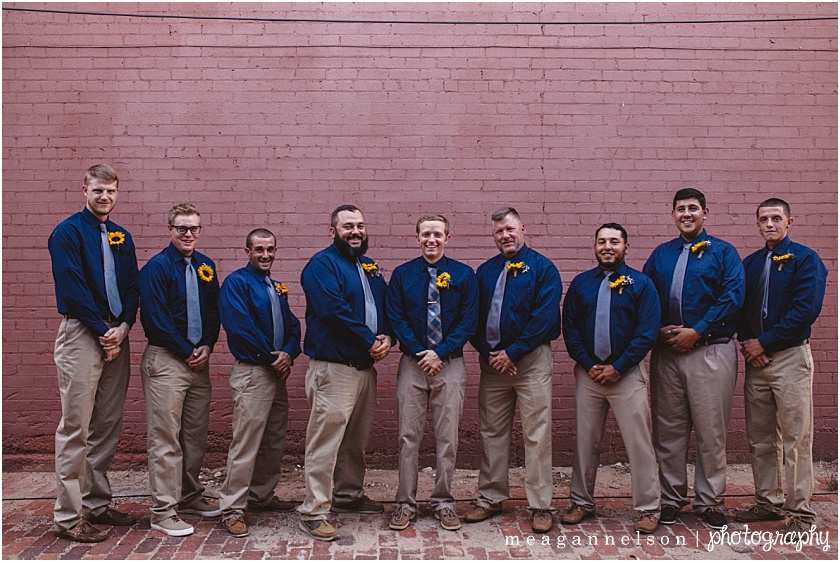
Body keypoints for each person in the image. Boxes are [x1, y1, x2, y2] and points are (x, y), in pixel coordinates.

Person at [642, 188, 745, 530]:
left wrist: (696, 331)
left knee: (710, 430)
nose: (686, 214)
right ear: (672, 214)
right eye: (680, 209)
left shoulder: (724, 253)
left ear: (705, 212)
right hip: (667, 354)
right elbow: (645, 297)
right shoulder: (660, 255)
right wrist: (656, 330)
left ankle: (709, 501)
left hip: (710, 350)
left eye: (693, 208)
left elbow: (731, 296)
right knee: (668, 430)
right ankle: (671, 498)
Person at [48, 164, 140, 542]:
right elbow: (72, 289)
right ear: (84, 189)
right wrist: (104, 331)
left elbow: (132, 285)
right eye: (98, 190)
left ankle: (96, 504)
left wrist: (124, 327)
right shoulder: (67, 232)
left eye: (111, 191)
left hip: (116, 334)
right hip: (83, 333)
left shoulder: (121, 236)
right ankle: (69, 518)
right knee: (76, 428)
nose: (105, 197)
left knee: (106, 425)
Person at [298, 204, 395, 541]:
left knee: (355, 441)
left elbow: (385, 306)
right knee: (325, 442)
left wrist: (388, 337)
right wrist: (370, 341)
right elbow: (332, 310)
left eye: (360, 225)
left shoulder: (368, 267)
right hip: (334, 368)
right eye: (348, 226)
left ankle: (347, 496)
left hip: (364, 369)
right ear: (332, 231)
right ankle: (313, 510)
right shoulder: (321, 265)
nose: (355, 231)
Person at [465, 206, 562, 534]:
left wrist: (513, 352)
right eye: (498, 232)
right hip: (494, 366)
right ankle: (491, 497)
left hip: (531, 362)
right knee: (492, 431)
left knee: (536, 434)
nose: (505, 236)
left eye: (509, 229)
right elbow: (473, 317)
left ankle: (540, 504)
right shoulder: (485, 272)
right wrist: (490, 353)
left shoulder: (543, 269)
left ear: (523, 228)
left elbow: (545, 317)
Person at [734, 198, 827, 537]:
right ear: (757, 224)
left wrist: (765, 342)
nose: (769, 224)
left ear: (790, 222)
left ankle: (800, 511)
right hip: (756, 360)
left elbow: (805, 310)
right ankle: (767, 501)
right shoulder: (751, 263)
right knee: (760, 437)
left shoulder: (806, 260)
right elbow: (740, 308)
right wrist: (748, 342)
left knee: (796, 437)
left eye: (776, 218)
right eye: (763, 219)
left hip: (789, 357)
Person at [561, 223, 661, 534]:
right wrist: (589, 363)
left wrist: (619, 366)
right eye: (602, 241)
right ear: (594, 246)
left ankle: (647, 507)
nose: (607, 246)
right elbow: (571, 328)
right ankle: (581, 501)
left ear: (626, 247)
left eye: (614, 241)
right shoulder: (581, 284)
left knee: (639, 442)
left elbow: (647, 331)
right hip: (589, 375)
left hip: (626, 375)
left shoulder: (641, 284)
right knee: (585, 441)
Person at [386, 214, 479, 532]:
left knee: (447, 438)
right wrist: (420, 352)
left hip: (449, 365)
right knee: (408, 437)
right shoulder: (402, 275)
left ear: (447, 237)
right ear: (417, 237)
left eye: (437, 234)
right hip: (413, 365)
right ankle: (405, 503)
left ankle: (443, 501)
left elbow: (469, 320)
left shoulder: (464, 275)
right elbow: (396, 317)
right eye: (425, 234)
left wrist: (439, 353)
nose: (431, 239)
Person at [139, 204, 221, 536]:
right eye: (182, 228)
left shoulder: (206, 266)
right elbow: (155, 320)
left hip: (198, 362)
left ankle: (188, 495)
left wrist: (208, 346)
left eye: (194, 229)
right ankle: (163, 510)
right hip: (167, 361)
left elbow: (213, 311)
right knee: (165, 439)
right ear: (169, 229)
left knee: (194, 437)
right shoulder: (156, 268)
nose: (188, 234)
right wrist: (188, 351)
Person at [217, 228, 302, 538]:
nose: (265, 255)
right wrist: (273, 358)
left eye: (270, 249)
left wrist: (289, 353)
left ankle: (261, 496)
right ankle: (232, 508)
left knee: (273, 438)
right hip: (254, 372)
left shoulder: (276, 287)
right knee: (247, 441)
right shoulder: (237, 283)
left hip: (276, 372)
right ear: (247, 251)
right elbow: (239, 328)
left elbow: (292, 325)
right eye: (259, 250)